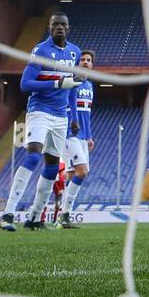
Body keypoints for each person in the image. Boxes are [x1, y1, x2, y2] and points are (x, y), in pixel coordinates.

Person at [0, 13, 82, 231]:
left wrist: (73, 116)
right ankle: (8, 214)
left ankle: (34, 217)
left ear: (69, 27)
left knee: (53, 167)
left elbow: (72, 87)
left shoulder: (75, 52)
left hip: (61, 117)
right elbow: (26, 84)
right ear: (49, 27)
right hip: (39, 111)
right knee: (34, 155)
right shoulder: (41, 51)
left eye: (63, 24)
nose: (60, 28)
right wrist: (56, 84)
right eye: (56, 24)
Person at [58, 49, 97, 228]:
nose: (86, 62)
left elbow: (86, 114)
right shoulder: (71, 82)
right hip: (69, 133)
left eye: (88, 60)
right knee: (83, 171)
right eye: (82, 60)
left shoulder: (89, 86)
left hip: (82, 137)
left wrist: (89, 136)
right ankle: (63, 215)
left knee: (72, 174)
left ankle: (64, 217)